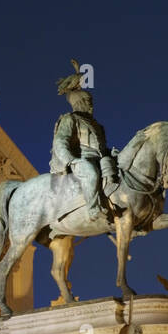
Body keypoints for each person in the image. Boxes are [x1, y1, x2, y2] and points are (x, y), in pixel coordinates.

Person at [50, 63, 119, 220]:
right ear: (79, 102)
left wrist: (111, 153)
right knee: (90, 172)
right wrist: (72, 161)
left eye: (91, 101)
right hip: (81, 160)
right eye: (87, 101)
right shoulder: (70, 119)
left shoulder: (98, 126)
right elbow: (60, 142)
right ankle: (93, 209)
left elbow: (102, 147)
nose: (91, 104)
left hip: (99, 158)